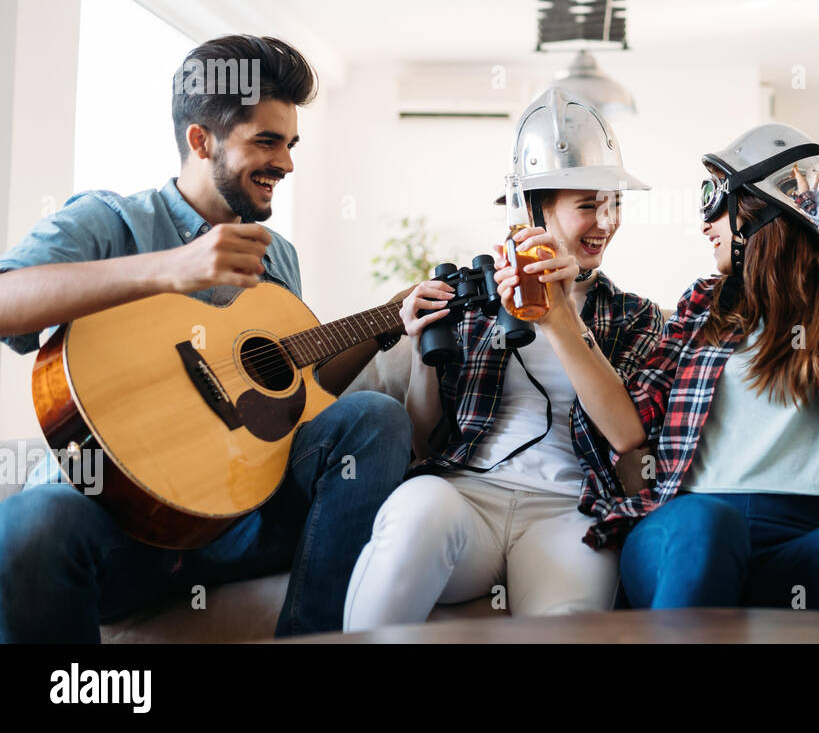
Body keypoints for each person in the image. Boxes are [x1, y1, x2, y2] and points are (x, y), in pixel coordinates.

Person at [0, 35, 413, 642]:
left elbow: (297, 392)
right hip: (119, 522)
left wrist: (386, 322)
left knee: (376, 417)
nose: (288, 163)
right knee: (28, 523)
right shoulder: (110, 221)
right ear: (202, 140)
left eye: (291, 143)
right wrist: (172, 268)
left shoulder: (278, 258)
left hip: (237, 524)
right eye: (266, 141)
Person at [579, 0, 819, 614]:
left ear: (762, 211)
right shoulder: (697, 311)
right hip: (692, 527)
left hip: (815, 536)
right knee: (710, 525)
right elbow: (628, 427)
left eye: (716, 197)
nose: (703, 220)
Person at [343, 88, 663, 627]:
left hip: (567, 510)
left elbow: (627, 436)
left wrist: (562, 319)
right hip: (466, 496)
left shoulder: (635, 316)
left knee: (569, 622)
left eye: (614, 205)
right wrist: (424, 353)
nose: (606, 223)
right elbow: (427, 438)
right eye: (588, 205)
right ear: (534, 207)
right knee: (414, 515)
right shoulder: (472, 299)